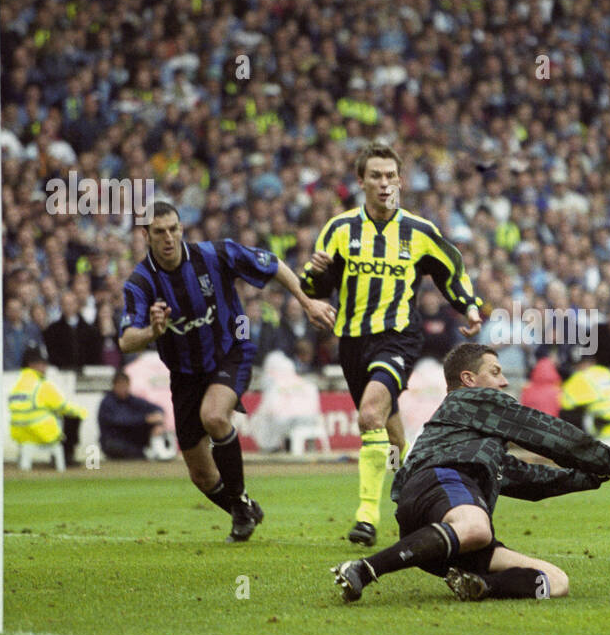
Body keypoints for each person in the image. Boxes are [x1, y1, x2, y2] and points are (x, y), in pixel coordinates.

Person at [330, 343, 610, 603]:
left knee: (556, 582)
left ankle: (481, 585)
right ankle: (364, 569)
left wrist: (601, 476)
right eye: (495, 372)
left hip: (437, 536)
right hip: (442, 485)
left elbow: (533, 481)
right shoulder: (469, 399)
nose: (504, 381)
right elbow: (540, 430)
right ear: (469, 379)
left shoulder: (476, 443)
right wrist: (605, 460)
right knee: (477, 528)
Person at [300, 142, 482, 548]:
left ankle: (367, 516)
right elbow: (317, 286)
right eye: (376, 176)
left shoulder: (419, 231)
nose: (384, 183)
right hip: (351, 341)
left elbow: (451, 269)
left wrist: (469, 306)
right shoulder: (339, 229)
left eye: (390, 176)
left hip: (398, 336)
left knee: (369, 414)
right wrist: (312, 277)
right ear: (361, 181)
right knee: (392, 436)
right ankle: (414, 492)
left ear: (400, 181)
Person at [119, 201, 334, 542]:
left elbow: (273, 264)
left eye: (173, 229)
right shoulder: (140, 283)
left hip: (231, 351)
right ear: (145, 235)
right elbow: (126, 340)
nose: (168, 238)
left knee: (215, 417)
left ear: (181, 228)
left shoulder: (214, 254)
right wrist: (152, 332)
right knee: (201, 475)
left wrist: (307, 302)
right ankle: (242, 506)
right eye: (159, 232)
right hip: (185, 374)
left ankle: (240, 505)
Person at [8, 343, 87, 466]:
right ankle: (66, 457)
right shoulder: (41, 385)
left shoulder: (17, 384)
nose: (45, 367)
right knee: (73, 416)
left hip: (19, 433)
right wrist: (82, 412)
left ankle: (25, 460)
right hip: (40, 433)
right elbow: (62, 406)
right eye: (42, 363)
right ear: (32, 364)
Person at [97, 368, 166, 459]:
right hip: (113, 441)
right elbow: (122, 421)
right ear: (114, 386)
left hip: (131, 440)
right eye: (120, 385)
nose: (123, 389)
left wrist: (158, 423)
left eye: (125, 385)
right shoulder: (107, 402)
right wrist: (146, 419)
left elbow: (156, 408)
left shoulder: (132, 400)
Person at [559, 356, 610, 439]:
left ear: (578, 365)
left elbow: (563, 405)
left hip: (601, 432)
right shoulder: (605, 372)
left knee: (568, 414)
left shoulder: (580, 377)